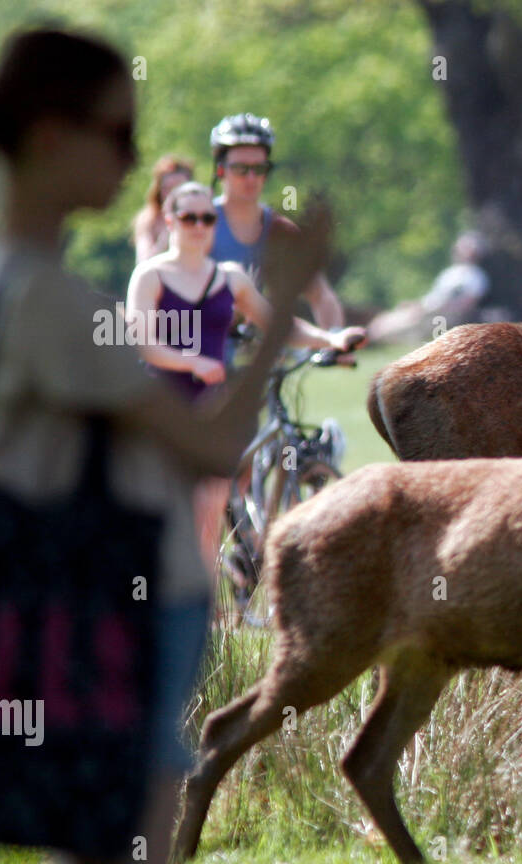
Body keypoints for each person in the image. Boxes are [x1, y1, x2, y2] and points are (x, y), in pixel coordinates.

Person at [0, 26, 339, 864]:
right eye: (117, 135)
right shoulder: (51, 299)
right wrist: (286, 301)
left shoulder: (3, 281)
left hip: (84, 605)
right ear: (50, 138)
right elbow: (206, 446)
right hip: (118, 614)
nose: (134, 160)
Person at [126, 179, 364, 571]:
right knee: (161, 518)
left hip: (214, 413)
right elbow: (142, 341)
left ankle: (205, 621)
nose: (199, 226)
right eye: (189, 218)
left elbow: (279, 326)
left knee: (207, 518)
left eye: (207, 218)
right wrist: (192, 361)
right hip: (163, 411)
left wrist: (330, 338)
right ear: (170, 220)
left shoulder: (230, 278)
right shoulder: (151, 276)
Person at [208, 113, 344, 329]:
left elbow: (321, 295)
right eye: (241, 169)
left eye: (259, 169)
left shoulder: (281, 230)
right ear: (221, 170)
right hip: (198, 353)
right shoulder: (197, 222)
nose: (251, 178)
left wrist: (336, 338)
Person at [367, 230, 491, 343]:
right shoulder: (450, 273)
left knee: (393, 326)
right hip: (426, 310)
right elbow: (434, 296)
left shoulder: (476, 277)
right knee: (385, 319)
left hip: (439, 317)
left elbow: (465, 305)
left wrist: (427, 309)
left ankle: (369, 340)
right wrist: (418, 304)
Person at [132, 153, 193, 263]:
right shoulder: (149, 219)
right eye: (168, 188)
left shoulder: (203, 218)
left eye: (179, 188)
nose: (173, 194)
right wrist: (170, 228)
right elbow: (144, 261)